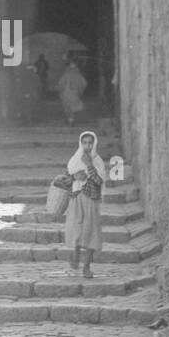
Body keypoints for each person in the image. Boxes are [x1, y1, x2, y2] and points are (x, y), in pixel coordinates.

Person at [63, 130, 105, 277]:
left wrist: (89, 166)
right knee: (74, 228)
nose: (87, 145)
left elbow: (99, 181)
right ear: (81, 143)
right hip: (76, 198)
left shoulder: (97, 160)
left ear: (94, 144)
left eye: (90, 142)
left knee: (91, 231)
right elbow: (66, 180)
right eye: (85, 142)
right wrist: (74, 177)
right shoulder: (74, 159)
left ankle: (86, 267)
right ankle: (74, 253)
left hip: (91, 199)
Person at [57, 55, 87, 126]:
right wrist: (80, 91)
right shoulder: (79, 75)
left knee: (67, 107)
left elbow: (60, 84)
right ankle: (70, 120)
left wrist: (60, 92)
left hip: (66, 94)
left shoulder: (66, 75)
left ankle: (70, 120)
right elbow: (84, 83)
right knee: (73, 107)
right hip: (75, 93)